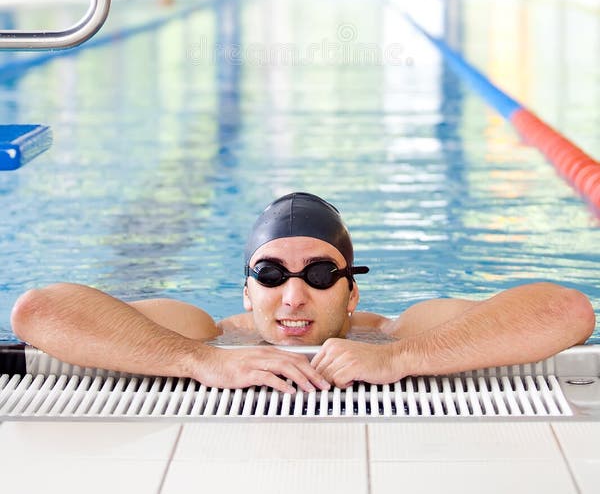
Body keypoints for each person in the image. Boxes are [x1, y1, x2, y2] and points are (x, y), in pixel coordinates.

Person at [11, 192, 595, 393]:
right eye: (270, 275)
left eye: (319, 275)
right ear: (246, 292)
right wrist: (196, 362)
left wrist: (403, 359)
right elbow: (38, 312)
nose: (292, 296)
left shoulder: (399, 332)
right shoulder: (203, 333)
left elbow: (566, 312)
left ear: (352, 295)